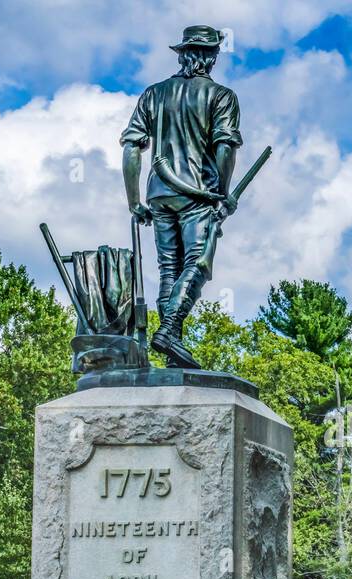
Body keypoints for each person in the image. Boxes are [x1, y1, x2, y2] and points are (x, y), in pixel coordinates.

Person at [120, 24, 241, 367]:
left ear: (184, 54)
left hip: (158, 193)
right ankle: (170, 329)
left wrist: (134, 201)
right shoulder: (221, 97)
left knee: (169, 268)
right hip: (196, 195)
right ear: (212, 57)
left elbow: (131, 147)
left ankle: (174, 348)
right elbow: (225, 147)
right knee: (198, 264)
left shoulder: (154, 93)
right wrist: (221, 192)